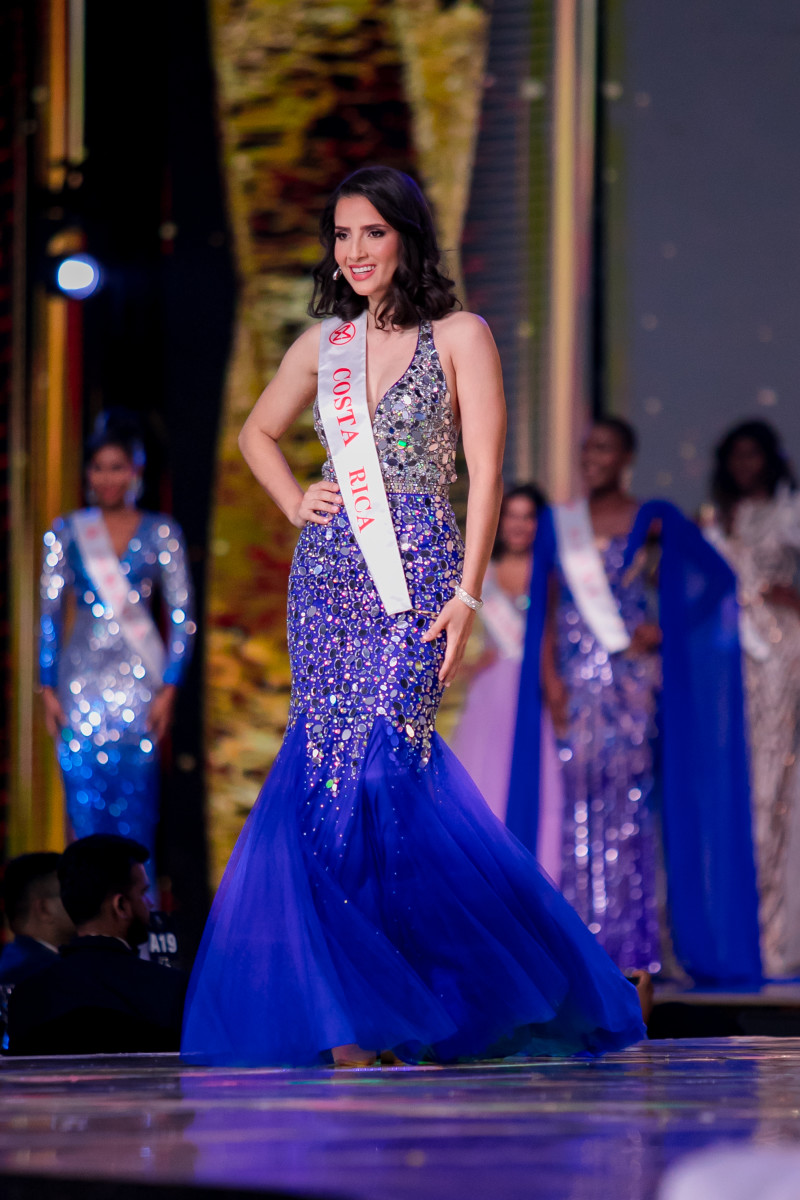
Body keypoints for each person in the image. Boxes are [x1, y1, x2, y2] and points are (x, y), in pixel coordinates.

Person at [181, 166, 645, 1069]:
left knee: (390, 773)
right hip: (329, 576)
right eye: (343, 236)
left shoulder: (460, 335)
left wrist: (468, 594)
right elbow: (253, 433)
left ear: (407, 239)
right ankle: (353, 1018)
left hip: (421, 569)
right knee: (325, 774)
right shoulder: (324, 347)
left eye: (374, 234)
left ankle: (433, 998)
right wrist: (291, 501)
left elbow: (486, 472)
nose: (355, 252)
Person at [508, 418, 762, 987]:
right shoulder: (557, 523)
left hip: (631, 682)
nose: (591, 457)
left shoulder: (654, 518)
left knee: (630, 803)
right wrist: (548, 678)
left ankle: (637, 947)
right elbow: (544, 608)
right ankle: (581, 943)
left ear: (626, 456)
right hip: (575, 682)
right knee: (578, 802)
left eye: (603, 448)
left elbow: (716, 580)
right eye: (586, 448)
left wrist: (666, 630)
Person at [39, 413, 195, 862]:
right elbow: (49, 614)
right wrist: (46, 684)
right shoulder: (66, 532)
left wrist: (170, 688)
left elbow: (183, 617)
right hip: (79, 686)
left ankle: (136, 920)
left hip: (140, 687)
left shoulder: (163, 532)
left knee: (136, 817)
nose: (106, 478)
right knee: (83, 813)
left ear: (137, 472)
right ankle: (88, 923)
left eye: (117, 467)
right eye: (98, 467)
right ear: (88, 474)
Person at [703, 420, 800, 978]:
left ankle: (771, 936)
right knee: (730, 786)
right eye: (735, 454)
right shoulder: (715, 518)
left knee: (771, 784)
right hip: (724, 656)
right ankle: (729, 931)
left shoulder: (789, 510)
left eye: (753, 454)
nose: (745, 464)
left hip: (779, 651)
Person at [7, 834, 187, 1056]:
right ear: (121, 905)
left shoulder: (27, 997)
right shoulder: (172, 990)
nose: (149, 903)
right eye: (143, 893)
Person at [450, 483, 557, 823]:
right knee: (486, 773)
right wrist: (467, 666)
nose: (519, 525)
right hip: (491, 688)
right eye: (511, 515)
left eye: (528, 517)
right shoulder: (481, 573)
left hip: (540, 682)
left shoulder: (552, 574)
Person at [0, 853, 75, 985]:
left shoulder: (12, 961)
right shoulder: (43, 975)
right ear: (44, 908)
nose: (83, 901)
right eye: (72, 893)